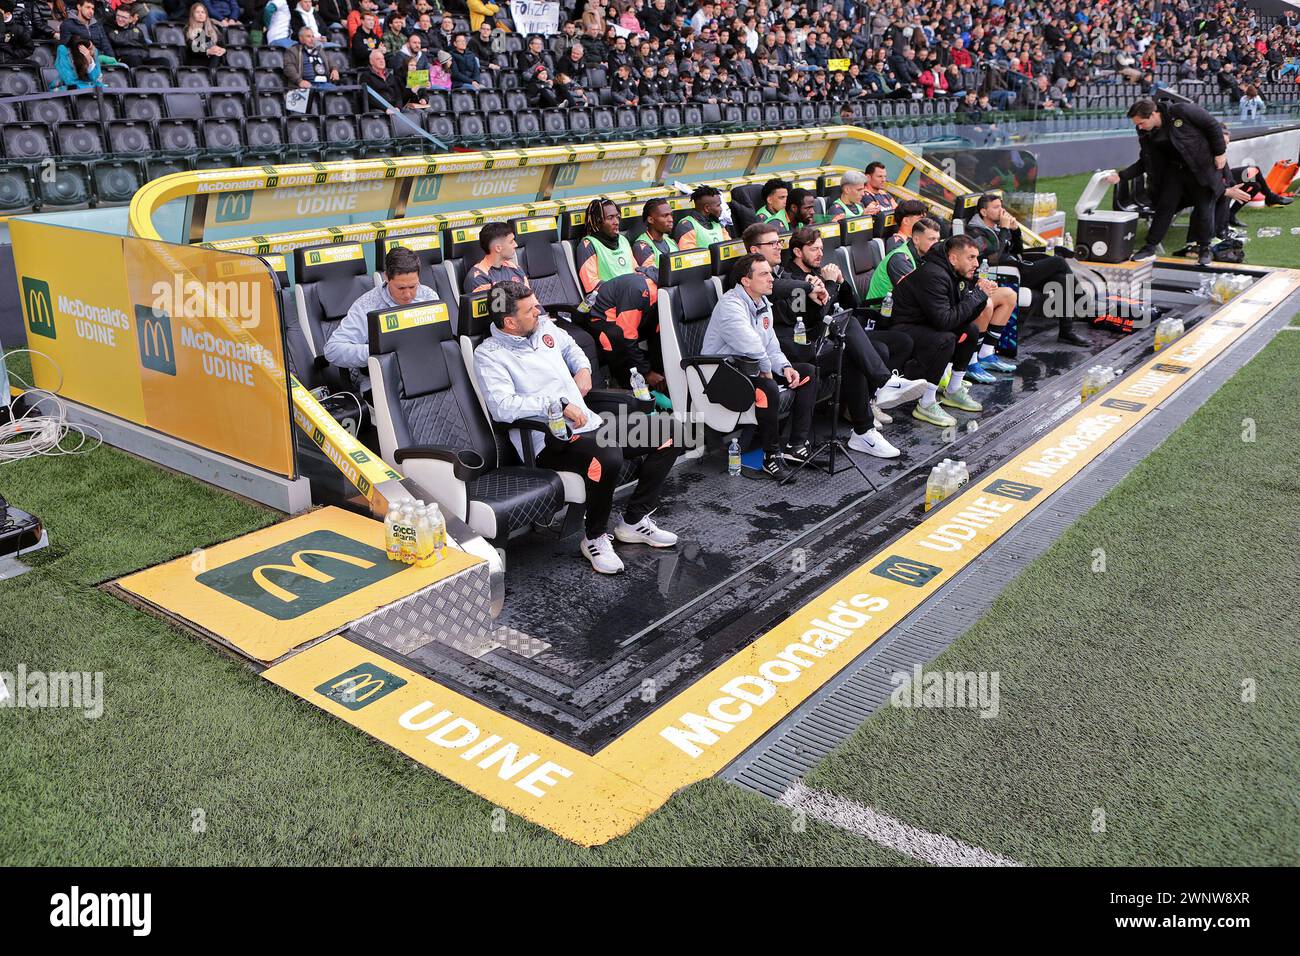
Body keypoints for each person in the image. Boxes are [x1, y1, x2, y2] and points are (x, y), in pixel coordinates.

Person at [475, 280, 682, 575]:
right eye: (531, 309)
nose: (539, 310)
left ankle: (634, 521)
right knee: (608, 455)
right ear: (510, 322)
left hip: (589, 424)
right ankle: (595, 537)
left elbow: (572, 348)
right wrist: (556, 404)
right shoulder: (489, 355)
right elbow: (503, 406)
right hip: (548, 440)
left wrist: (583, 370)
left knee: (673, 432)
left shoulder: (543, 327)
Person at [774, 228, 904, 459]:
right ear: (796, 251)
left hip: (826, 338)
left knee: (877, 346)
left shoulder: (818, 272)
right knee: (852, 338)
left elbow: (851, 304)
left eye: (822, 249)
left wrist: (841, 283)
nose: (819, 254)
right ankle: (878, 395)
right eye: (813, 249)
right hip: (805, 346)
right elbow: (809, 318)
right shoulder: (791, 279)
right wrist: (830, 285)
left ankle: (866, 420)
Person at [703, 252, 818, 482]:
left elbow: (770, 345)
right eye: (764, 274)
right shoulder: (730, 305)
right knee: (767, 387)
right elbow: (753, 346)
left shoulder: (763, 303)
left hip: (747, 370)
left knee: (807, 373)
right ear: (746, 281)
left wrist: (785, 367)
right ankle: (771, 457)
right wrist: (768, 372)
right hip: (720, 376)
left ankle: (795, 445)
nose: (771, 278)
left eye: (770, 273)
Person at [888, 235, 1000, 428]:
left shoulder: (956, 274)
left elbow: (964, 316)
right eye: (971, 258)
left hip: (926, 323)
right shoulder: (934, 275)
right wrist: (977, 296)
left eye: (976, 257)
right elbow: (945, 322)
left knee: (971, 330)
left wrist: (980, 297)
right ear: (953, 258)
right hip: (902, 328)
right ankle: (926, 402)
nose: (976, 263)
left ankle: (953, 390)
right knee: (945, 339)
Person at [1107, 97, 1227, 267]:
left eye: (1141, 123)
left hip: (1201, 168)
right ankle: (1150, 247)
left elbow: (1212, 125)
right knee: (1165, 206)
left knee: (1204, 208)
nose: (1139, 127)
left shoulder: (1182, 111)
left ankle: (1204, 249)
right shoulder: (1146, 133)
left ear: (1153, 114)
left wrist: (1220, 152)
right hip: (1175, 171)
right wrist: (1122, 176)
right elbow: (1145, 160)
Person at [464, 221, 601, 371]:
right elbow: (499, 318)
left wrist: (542, 319)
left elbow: (531, 300)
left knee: (583, 341)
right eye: (511, 241)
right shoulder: (479, 276)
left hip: (531, 323)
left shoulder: (514, 268)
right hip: (510, 335)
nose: (515, 245)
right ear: (498, 248)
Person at [963, 193, 1084, 347]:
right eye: (996, 207)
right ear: (983, 212)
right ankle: (1083, 303)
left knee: (1060, 279)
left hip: (1017, 267)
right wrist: (1005, 229)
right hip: (1004, 274)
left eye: (1001, 206)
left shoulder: (995, 226)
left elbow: (1018, 251)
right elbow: (994, 258)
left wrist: (1015, 231)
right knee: (1058, 262)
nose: (1001, 211)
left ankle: (1066, 332)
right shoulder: (975, 231)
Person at [574, 197, 663, 390]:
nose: (616, 222)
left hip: (633, 302)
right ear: (598, 222)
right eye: (610, 218)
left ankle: (662, 377)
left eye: (617, 217)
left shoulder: (622, 240)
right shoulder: (588, 245)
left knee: (662, 319)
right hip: (608, 310)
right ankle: (629, 387)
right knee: (618, 335)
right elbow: (592, 287)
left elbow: (636, 271)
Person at [324, 246, 436, 393]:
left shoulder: (428, 297)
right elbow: (332, 350)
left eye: (413, 286)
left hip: (423, 372)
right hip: (384, 381)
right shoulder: (367, 305)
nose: (408, 295)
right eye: (401, 288)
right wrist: (379, 352)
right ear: (386, 277)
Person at [672, 185, 732, 250]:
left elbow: (729, 248)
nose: (721, 209)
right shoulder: (686, 226)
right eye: (718, 205)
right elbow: (689, 256)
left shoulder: (718, 224)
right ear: (707, 208)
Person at [631, 197, 678, 265]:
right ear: (651, 220)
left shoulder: (671, 242)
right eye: (665, 216)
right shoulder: (642, 246)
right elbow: (650, 274)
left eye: (671, 215)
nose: (671, 219)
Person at [183, 2, 224, 66]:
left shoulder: (213, 28)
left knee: (217, 55)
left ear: (206, 15)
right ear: (192, 14)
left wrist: (222, 50)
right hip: (196, 62)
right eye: (197, 12)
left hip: (212, 60)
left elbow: (222, 45)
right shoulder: (188, 30)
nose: (200, 14)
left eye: (203, 12)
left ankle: (211, 74)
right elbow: (192, 50)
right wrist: (208, 51)